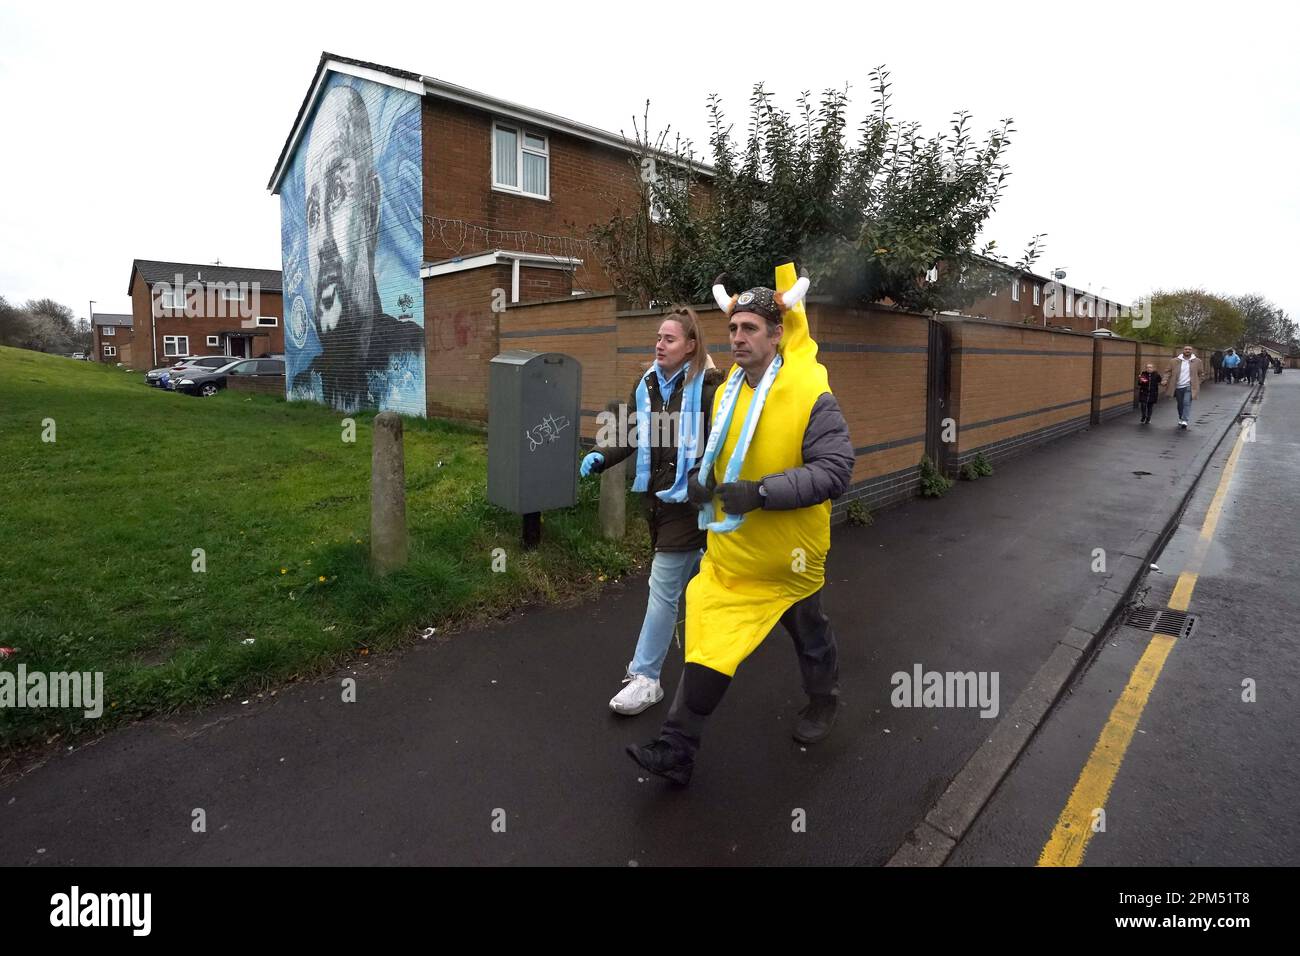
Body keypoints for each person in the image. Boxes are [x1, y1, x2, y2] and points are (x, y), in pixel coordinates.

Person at [627, 264, 855, 786]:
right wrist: (699, 484)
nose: (737, 338)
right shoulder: (731, 388)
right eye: (733, 328)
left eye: (750, 328)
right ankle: (677, 749)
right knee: (710, 644)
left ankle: (824, 702)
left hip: (788, 558)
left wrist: (761, 493)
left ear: (778, 334)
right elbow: (714, 453)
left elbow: (835, 470)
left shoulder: (809, 392)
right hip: (733, 557)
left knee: (809, 636)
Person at [580, 308, 725, 715]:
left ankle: (645, 677)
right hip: (660, 503)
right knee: (702, 585)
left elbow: (723, 444)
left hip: (695, 503)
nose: (660, 345)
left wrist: (701, 478)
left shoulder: (711, 388)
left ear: (692, 346)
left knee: (663, 591)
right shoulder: (646, 386)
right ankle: (717, 647)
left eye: (670, 339)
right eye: (658, 338)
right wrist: (600, 455)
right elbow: (629, 432)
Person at [291, 84, 423, 412]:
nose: (322, 241)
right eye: (311, 213)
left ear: (371, 207)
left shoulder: (414, 354)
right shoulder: (306, 385)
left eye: (337, 191)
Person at [1162, 345, 1204, 429]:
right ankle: (1181, 418)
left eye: (1189, 349)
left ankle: (1185, 420)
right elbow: (1167, 371)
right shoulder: (1174, 361)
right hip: (1178, 386)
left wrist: (1197, 382)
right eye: (1186, 349)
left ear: (1192, 351)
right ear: (1183, 350)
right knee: (1180, 404)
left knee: (1186, 403)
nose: (1187, 350)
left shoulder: (1197, 361)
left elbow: (1201, 373)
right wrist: (1165, 379)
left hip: (1189, 386)